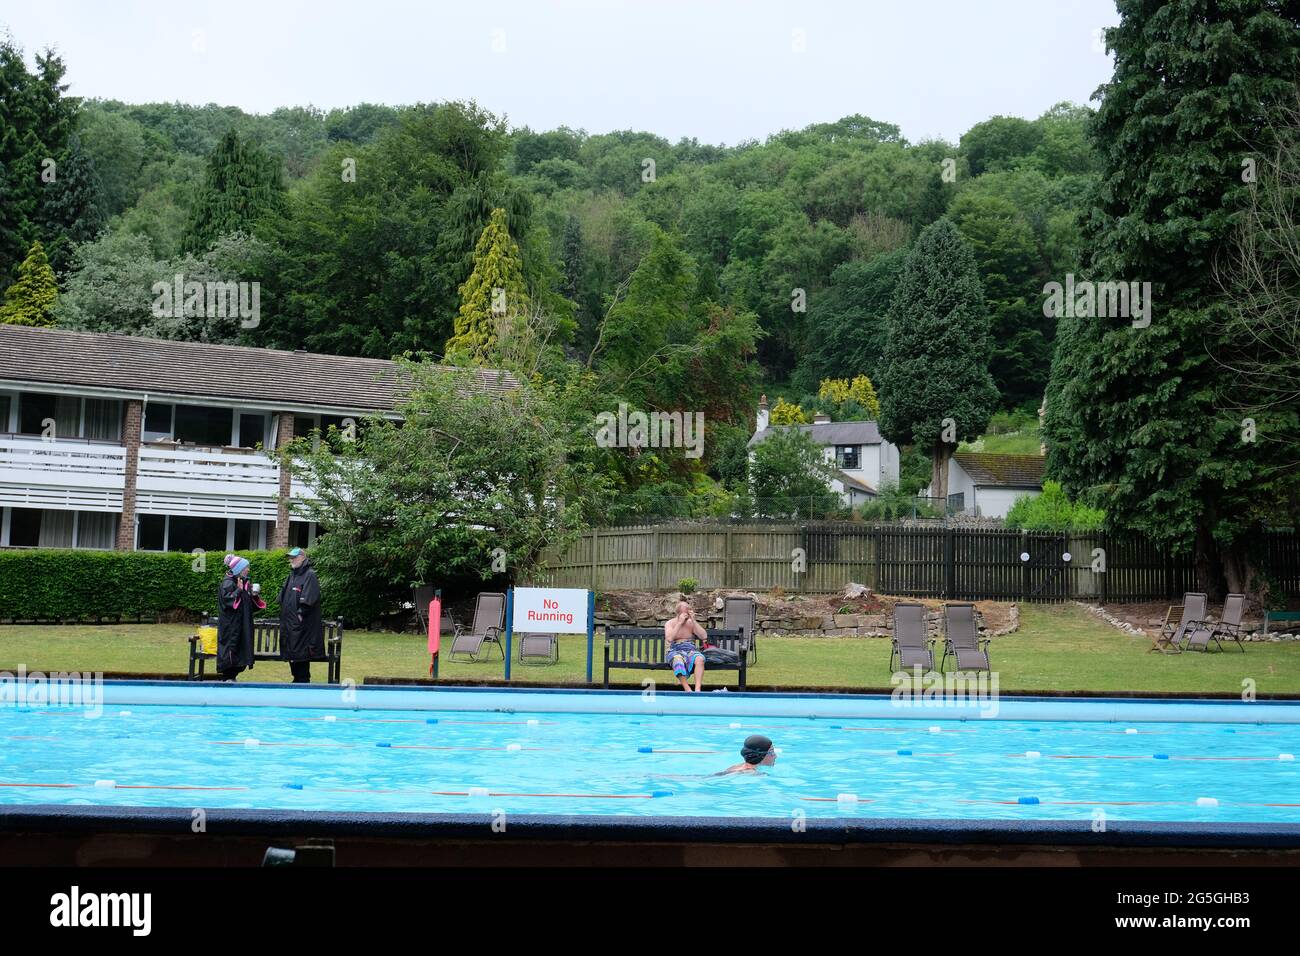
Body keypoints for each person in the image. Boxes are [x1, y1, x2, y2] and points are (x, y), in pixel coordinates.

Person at [279, 547, 324, 683]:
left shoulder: (310, 574)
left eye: (294, 557)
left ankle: (302, 681)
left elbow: (309, 598)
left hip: (302, 626)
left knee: (301, 655)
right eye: (290, 558)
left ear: (302, 558)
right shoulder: (292, 575)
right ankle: (297, 679)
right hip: (290, 624)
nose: (291, 560)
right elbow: (282, 596)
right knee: (292, 653)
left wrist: (300, 614)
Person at [216, 554, 264, 681]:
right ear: (238, 569)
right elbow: (228, 602)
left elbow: (248, 606)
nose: (248, 569)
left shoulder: (243, 582)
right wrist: (238, 590)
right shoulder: (228, 583)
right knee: (231, 652)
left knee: (240, 652)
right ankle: (228, 678)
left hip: (242, 625)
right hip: (231, 627)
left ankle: (232, 677)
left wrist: (254, 596)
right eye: (246, 567)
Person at [664, 600, 707, 692]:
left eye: (689, 612)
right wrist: (679, 623)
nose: (687, 615)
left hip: (690, 649)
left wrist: (694, 621)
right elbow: (670, 638)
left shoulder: (691, 623)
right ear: (678, 613)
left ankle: (697, 689)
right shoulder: (670, 623)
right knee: (677, 660)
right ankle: (687, 689)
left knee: (700, 658)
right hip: (675, 650)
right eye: (685, 613)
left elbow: (704, 636)